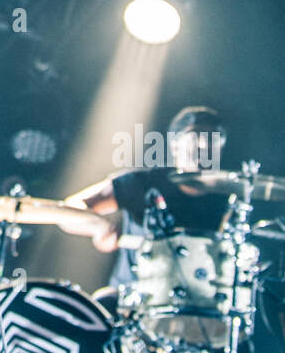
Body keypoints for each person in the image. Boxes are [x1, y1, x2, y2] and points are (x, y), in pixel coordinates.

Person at [67, 106, 228, 284]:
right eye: (195, 138)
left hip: (204, 302)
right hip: (132, 300)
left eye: (213, 140)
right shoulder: (142, 183)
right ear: (175, 146)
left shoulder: (231, 196)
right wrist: (98, 228)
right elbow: (70, 209)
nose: (204, 146)